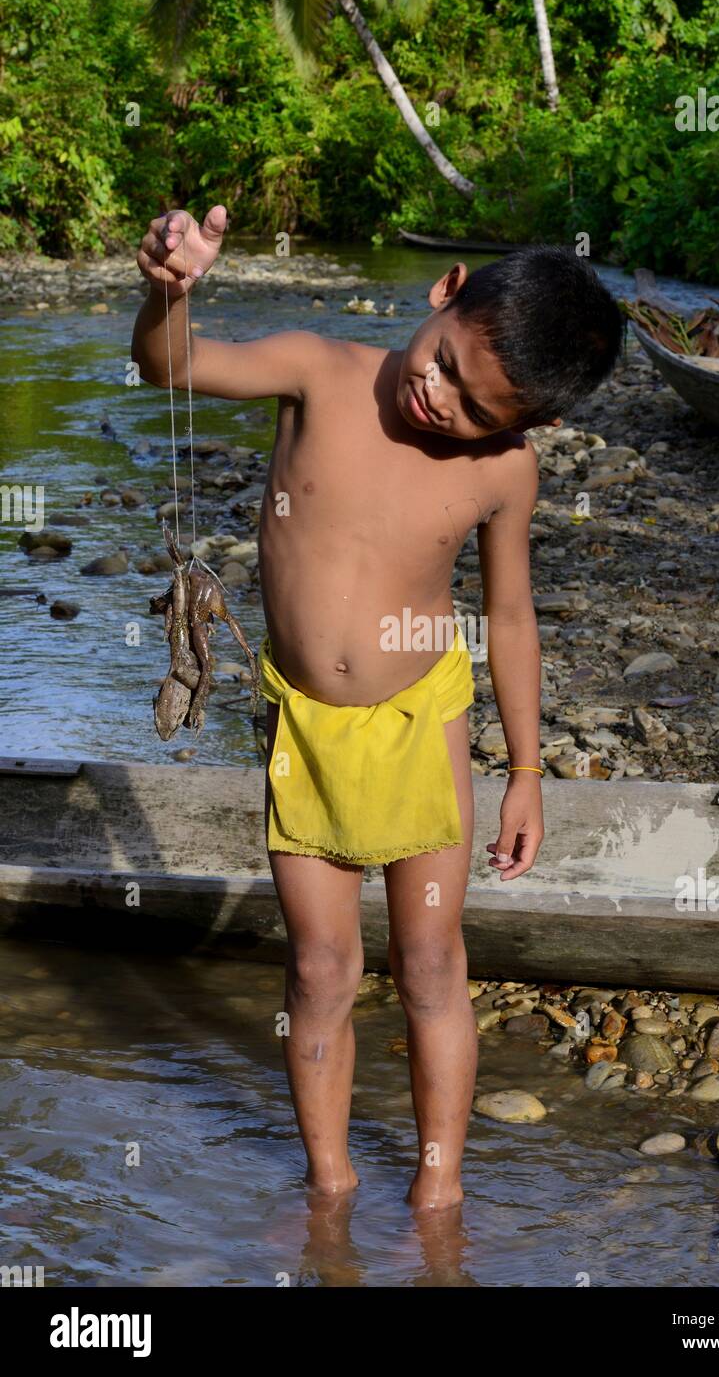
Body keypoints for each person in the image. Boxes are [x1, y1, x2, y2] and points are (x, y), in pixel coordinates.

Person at [132, 206, 623, 1211]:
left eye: (477, 406)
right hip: (306, 726)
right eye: (442, 362)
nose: (438, 399)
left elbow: (513, 617)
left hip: (422, 721)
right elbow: (169, 369)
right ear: (443, 295)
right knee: (318, 965)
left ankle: (438, 1194)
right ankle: (329, 1189)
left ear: (529, 427)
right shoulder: (319, 369)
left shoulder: (502, 471)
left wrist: (527, 771)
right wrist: (167, 293)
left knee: (433, 960)